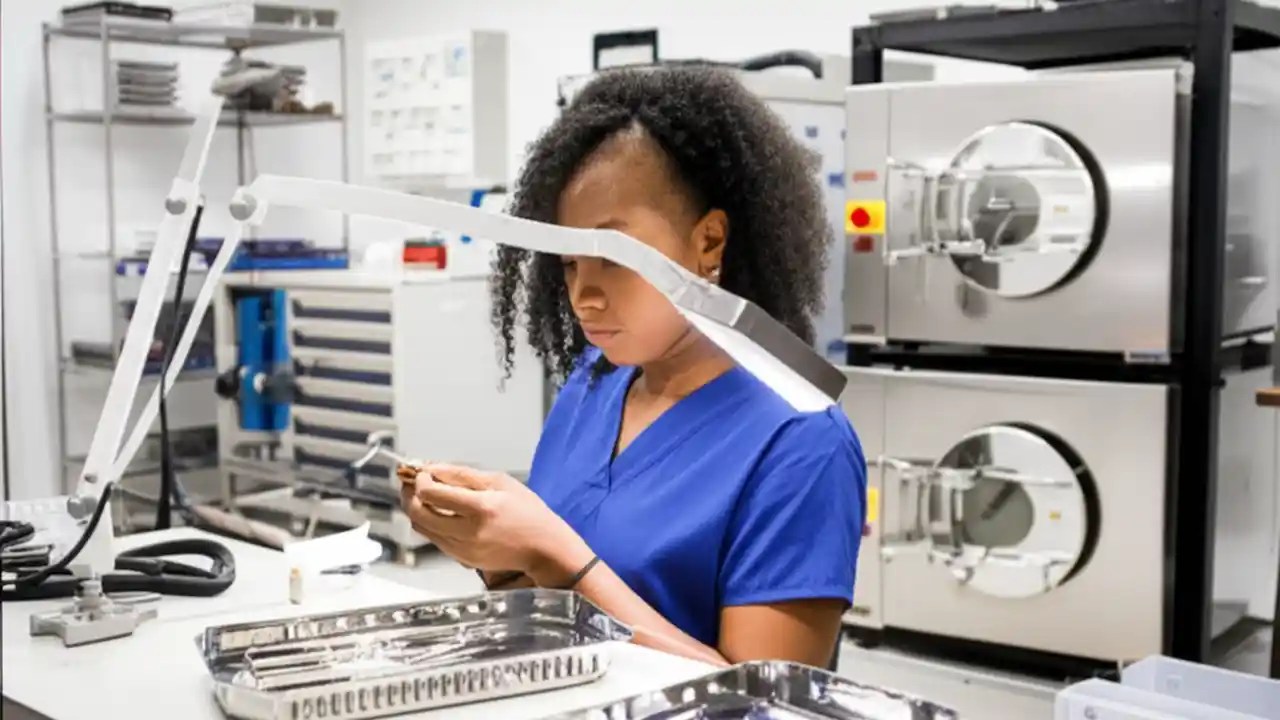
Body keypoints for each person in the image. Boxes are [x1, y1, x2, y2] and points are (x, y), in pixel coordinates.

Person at [399, 64, 866, 667]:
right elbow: (544, 600)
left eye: (613, 256)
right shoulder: (593, 385)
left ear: (708, 242)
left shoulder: (802, 441)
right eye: (569, 262)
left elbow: (764, 694)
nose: (583, 296)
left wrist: (558, 558)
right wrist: (493, 548)